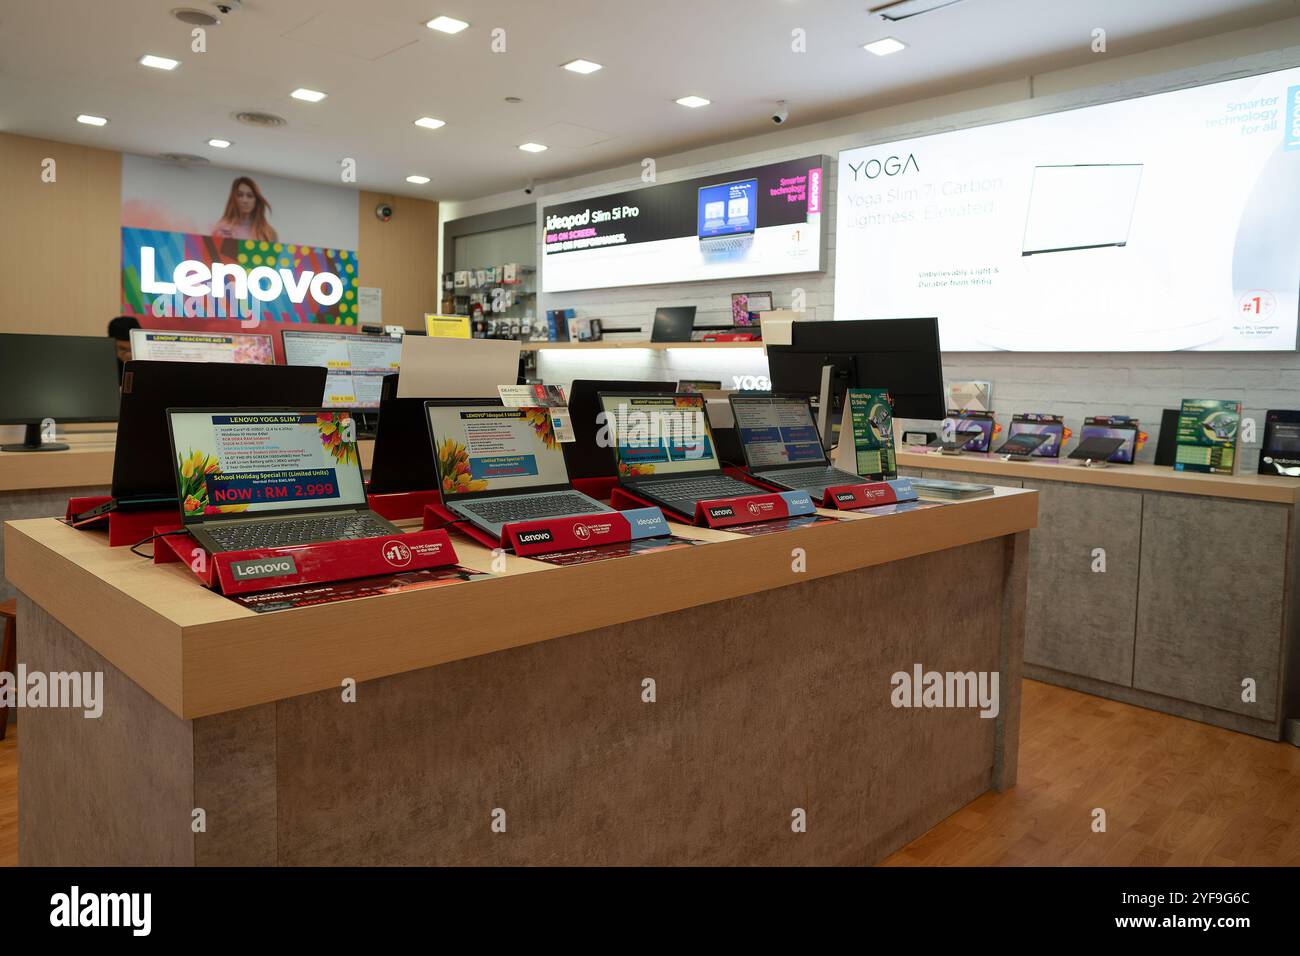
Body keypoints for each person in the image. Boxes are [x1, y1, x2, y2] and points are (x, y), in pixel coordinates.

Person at [213, 176, 278, 242]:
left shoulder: (269, 233)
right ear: (234, 198)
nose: (245, 200)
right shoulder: (221, 230)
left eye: (250, 196)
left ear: (256, 200)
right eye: (240, 195)